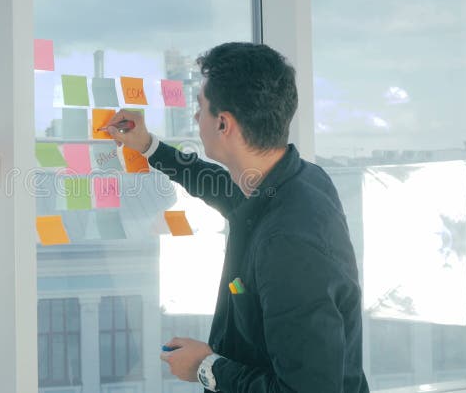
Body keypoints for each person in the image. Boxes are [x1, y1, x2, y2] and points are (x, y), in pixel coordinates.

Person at [105, 42, 369, 393]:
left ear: (224, 123)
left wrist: (205, 367)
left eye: (200, 109)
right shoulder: (297, 181)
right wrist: (149, 146)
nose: (196, 119)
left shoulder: (289, 244)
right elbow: (223, 190)